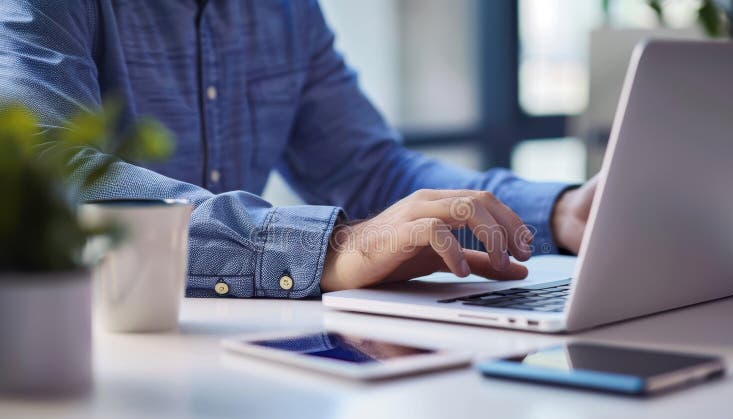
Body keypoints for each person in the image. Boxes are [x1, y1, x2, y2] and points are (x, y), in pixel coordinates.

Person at [0, 1, 597, 298]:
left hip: (248, 367)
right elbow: (51, 169)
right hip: (81, 363)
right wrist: (329, 245)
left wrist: (561, 212)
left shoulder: (285, 10)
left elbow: (370, 172)